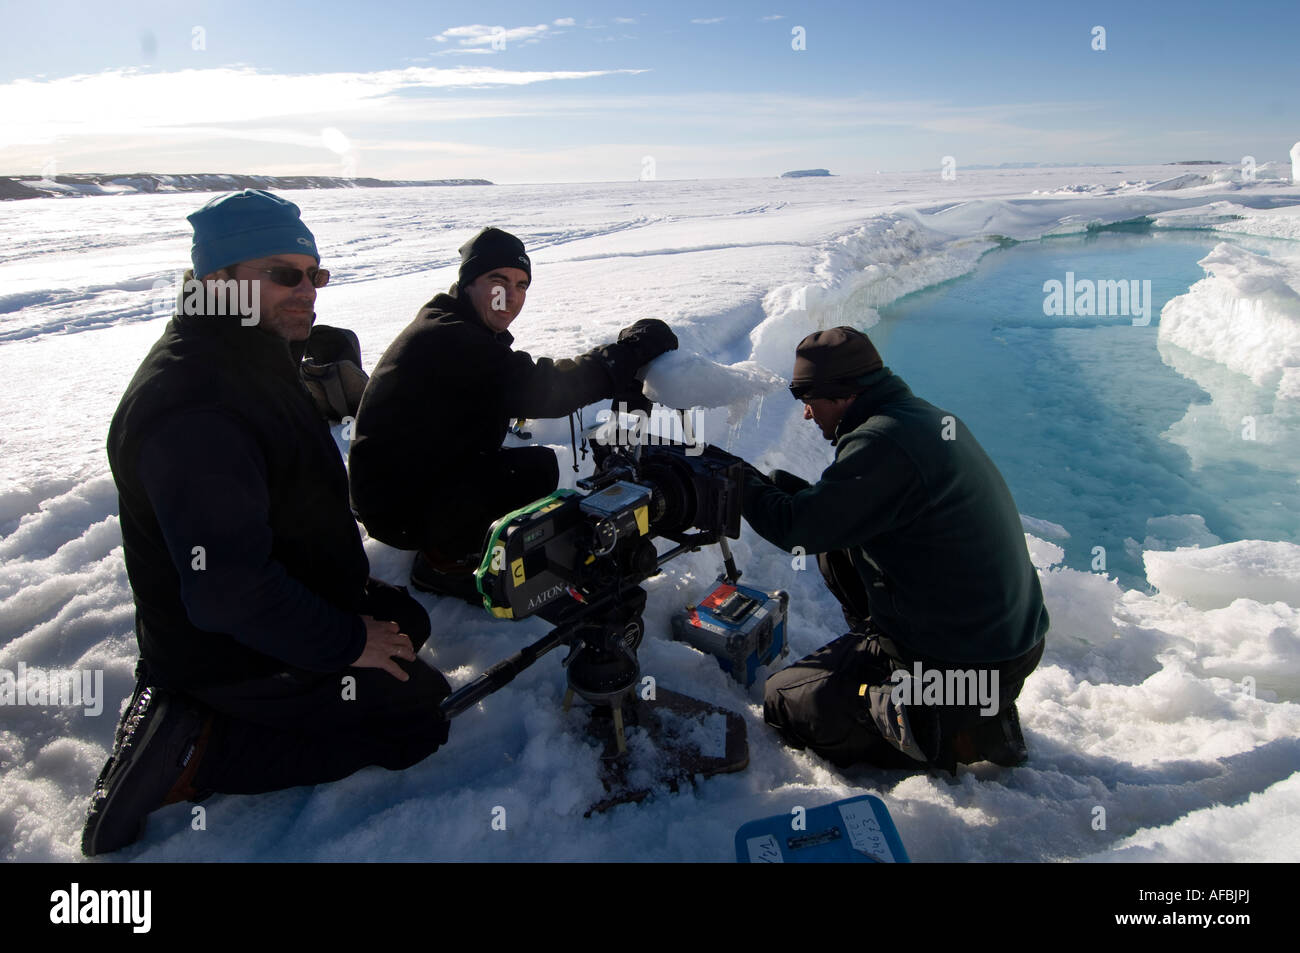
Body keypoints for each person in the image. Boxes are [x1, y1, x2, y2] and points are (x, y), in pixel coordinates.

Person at [83, 190, 452, 856]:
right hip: (231, 646)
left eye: (316, 273)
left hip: (277, 597)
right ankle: (200, 749)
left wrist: (353, 616)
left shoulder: (246, 351)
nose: (307, 290)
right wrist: (344, 639)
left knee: (407, 624)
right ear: (216, 280)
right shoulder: (196, 404)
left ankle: (225, 703)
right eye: (284, 273)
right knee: (418, 718)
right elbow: (227, 589)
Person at [740, 327, 1049, 773]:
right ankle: (971, 709)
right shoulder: (917, 419)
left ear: (845, 395)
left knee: (785, 698)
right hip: (1008, 647)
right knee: (841, 543)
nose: (807, 414)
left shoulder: (881, 442)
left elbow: (799, 530)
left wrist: (735, 482)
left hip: (964, 665)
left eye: (809, 398)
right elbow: (836, 513)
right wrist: (768, 486)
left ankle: (938, 733)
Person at [348, 226, 678, 601]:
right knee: (526, 476)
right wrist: (629, 353)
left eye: (522, 285)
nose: (512, 295)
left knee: (534, 469)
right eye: (498, 280)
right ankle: (443, 564)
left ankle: (459, 544)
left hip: (413, 477)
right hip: (396, 505)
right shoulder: (449, 336)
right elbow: (545, 390)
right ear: (469, 282)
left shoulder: (457, 325)